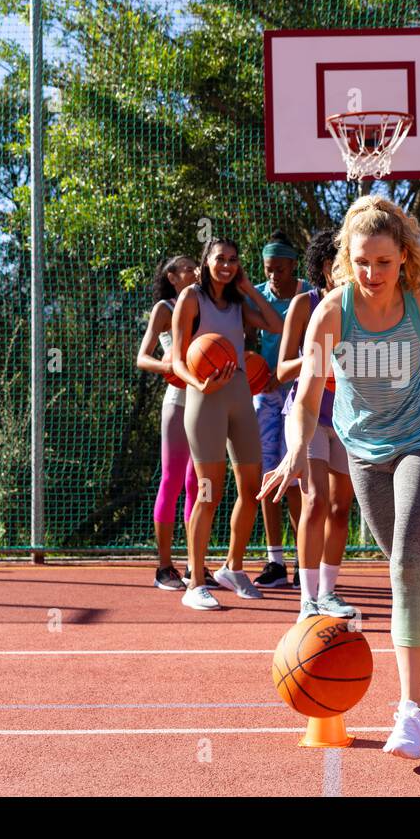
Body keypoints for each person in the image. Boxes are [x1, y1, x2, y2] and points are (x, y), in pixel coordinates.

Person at [260, 195, 420, 760]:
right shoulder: (330, 312)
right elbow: (305, 396)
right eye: (362, 262)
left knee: (402, 564)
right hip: (364, 452)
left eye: (384, 263)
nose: (373, 274)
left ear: (404, 261)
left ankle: (411, 713)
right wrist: (296, 451)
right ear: (348, 259)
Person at [171, 237, 284, 610]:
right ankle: (195, 581)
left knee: (252, 487)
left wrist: (249, 287)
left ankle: (233, 567)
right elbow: (176, 359)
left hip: (239, 395)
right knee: (208, 492)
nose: (228, 265)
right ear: (206, 261)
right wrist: (197, 382)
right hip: (205, 397)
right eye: (221, 259)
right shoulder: (191, 298)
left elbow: (277, 324)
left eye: (234, 260)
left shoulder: (237, 303)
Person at [275, 229, 355, 621]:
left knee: (342, 507)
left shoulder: (363, 306)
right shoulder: (304, 305)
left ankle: (328, 592)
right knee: (315, 500)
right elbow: (281, 368)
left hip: (347, 418)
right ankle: (307, 599)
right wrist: (317, 358)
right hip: (307, 414)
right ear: (325, 267)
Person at [246, 232, 310, 589]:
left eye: (280, 269)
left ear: (293, 266)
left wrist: (283, 372)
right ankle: (275, 562)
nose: (273, 276)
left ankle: (304, 560)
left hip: (297, 392)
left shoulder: (307, 295)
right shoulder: (256, 293)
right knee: (268, 477)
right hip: (264, 395)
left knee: (296, 481)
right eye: (268, 269)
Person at [135, 255, 201, 590]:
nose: (194, 270)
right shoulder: (165, 308)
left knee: (197, 484)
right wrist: (169, 367)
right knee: (172, 479)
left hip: (207, 400)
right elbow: (142, 357)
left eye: (195, 265)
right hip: (178, 400)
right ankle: (164, 566)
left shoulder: (208, 302)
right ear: (172, 276)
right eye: (187, 267)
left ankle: (194, 564)